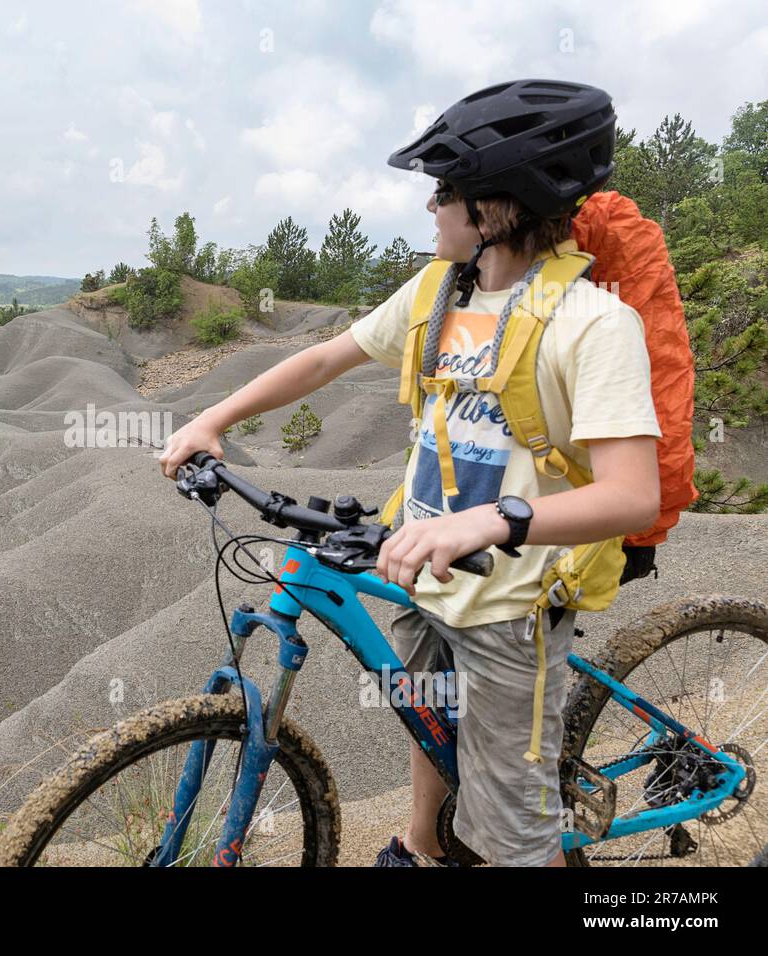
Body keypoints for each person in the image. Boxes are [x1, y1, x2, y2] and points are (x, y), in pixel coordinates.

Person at [158, 79, 661, 867]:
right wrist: (212, 420)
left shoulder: (594, 325)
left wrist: (491, 522)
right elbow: (328, 356)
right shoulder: (440, 291)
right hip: (422, 567)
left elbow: (634, 494)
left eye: (444, 191)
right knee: (426, 709)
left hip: (510, 600)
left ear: (501, 207)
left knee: (516, 837)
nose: (430, 208)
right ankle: (423, 841)